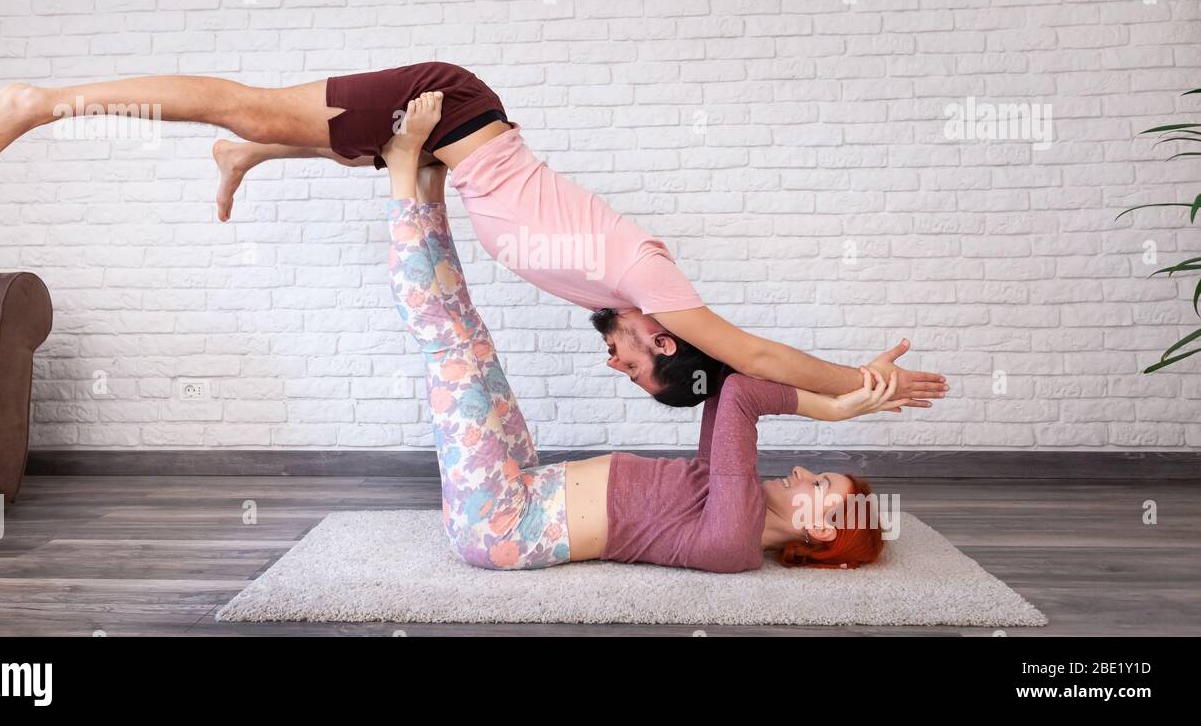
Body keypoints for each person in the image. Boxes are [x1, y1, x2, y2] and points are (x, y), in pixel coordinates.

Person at [0, 63, 948, 408]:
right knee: (245, 106)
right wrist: (867, 374)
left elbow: (747, 389)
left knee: (261, 136)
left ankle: (246, 157)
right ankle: (42, 103)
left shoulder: (620, 300)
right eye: (640, 375)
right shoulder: (647, 277)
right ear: (666, 340)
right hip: (457, 110)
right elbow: (758, 354)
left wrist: (853, 404)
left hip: (447, 151)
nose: (618, 371)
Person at [380, 93, 899, 571]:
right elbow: (727, 385)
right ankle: (427, 186)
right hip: (526, 485)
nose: (806, 472)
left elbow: (742, 393)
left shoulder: (734, 541)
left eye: (821, 484)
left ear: (819, 528)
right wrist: (844, 382)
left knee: (448, 344)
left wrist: (834, 406)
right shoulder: (726, 499)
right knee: (470, 341)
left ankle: (403, 171)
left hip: (501, 521)